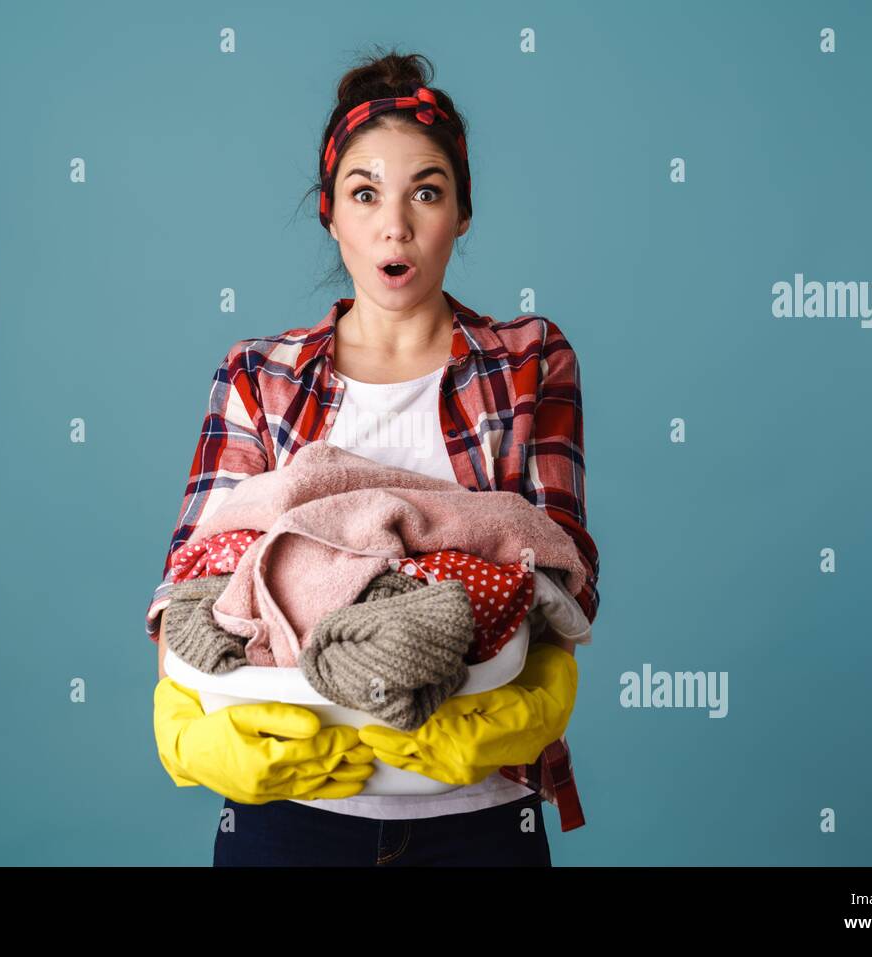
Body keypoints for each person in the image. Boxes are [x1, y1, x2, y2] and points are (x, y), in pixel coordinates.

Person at [148, 48, 600, 866]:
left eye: (425, 192)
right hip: (291, 814)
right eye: (365, 194)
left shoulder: (531, 360)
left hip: (482, 816)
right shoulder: (258, 375)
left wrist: (528, 708)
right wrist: (189, 730)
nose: (395, 225)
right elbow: (195, 589)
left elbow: (561, 576)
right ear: (330, 213)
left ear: (462, 212)